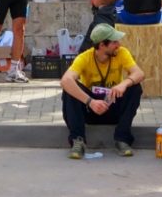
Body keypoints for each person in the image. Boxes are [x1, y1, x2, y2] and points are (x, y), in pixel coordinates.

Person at [61, 23, 144, 158]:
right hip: (91, 109)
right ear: (101, 45)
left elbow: (139, 73)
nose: (118, 44)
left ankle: (122, 139)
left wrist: (124, 84)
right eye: (114, 42)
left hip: (112, 105)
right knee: (69, 88)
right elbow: (65, 80)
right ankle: (78, 140)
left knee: (135, 87)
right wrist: (90, 102)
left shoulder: (121, 53)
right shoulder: (84, 57)